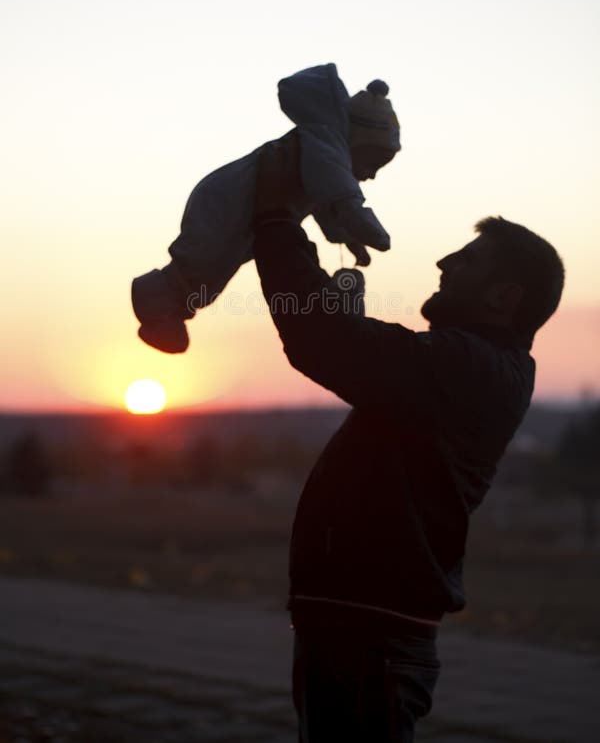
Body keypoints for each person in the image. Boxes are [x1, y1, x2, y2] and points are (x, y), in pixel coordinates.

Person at [251, 138, 565, 742]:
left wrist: (274, 218)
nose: (445, 262)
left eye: (468, 259)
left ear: (505, 296)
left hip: (373, 641)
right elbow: (353, 347)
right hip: (359, 632)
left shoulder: (471, 367)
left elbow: (323, 340)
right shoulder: (470, 365)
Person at [131, 64, 400, 353]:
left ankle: (169, 315)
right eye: (372, 164)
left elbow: (328, 205)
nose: (371, 175)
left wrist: (348, 238)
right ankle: (154, 305)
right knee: (202, 264)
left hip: (238, 205)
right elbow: (344, 200)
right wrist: (373, 234)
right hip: (228, 201)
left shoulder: (325, 152)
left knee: (212, 274)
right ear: (357, 142)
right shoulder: (327, 147)